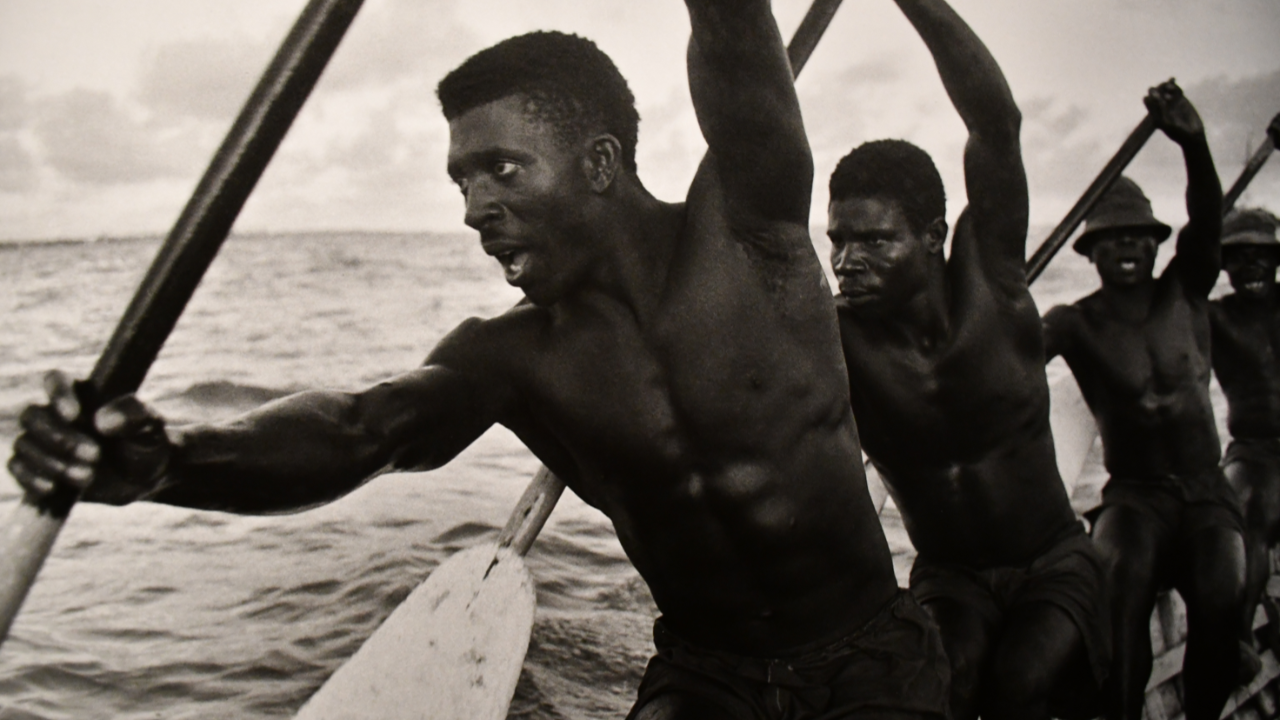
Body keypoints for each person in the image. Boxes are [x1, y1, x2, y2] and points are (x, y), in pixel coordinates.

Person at [9, 5, 952, 719]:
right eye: (462, 180)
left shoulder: (750, 225)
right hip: (707, 682)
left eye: (502, 169)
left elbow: (734, 31)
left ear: (598, 161)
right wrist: (169, 461)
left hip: (873, 659)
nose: (472, 207)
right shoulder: (510, 357)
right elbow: (356, 432)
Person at [827, 2, 1106, 718]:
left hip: (1053, 560)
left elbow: (996, 124)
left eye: (873, 241)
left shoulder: (995, 280)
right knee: (943, 688)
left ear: (931, 235)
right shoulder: (836, 338)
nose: (846, 261)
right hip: (950, 577)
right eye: (837, 240)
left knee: (1019, 688)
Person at [1041, 82, 1243, 720]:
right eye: (1110, 239)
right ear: (1089, 251)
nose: (1126, 246)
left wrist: (1194, 143)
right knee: (1118, 585)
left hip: (1207, 490)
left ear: (1157, 245)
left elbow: (1207, 215)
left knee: (1223, 587)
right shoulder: (1074, 322)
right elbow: (1001, 362)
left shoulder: (1186, 288)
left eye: (1137, 237)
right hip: (1134, 496)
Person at [1210, 207, 1280, 668]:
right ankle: (1240, 633)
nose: (1251, 265)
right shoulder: (1213, 316)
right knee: (1246, 509)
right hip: (1253, 449)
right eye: (1238, 256)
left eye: (1262, 255)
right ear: (1222, 265)